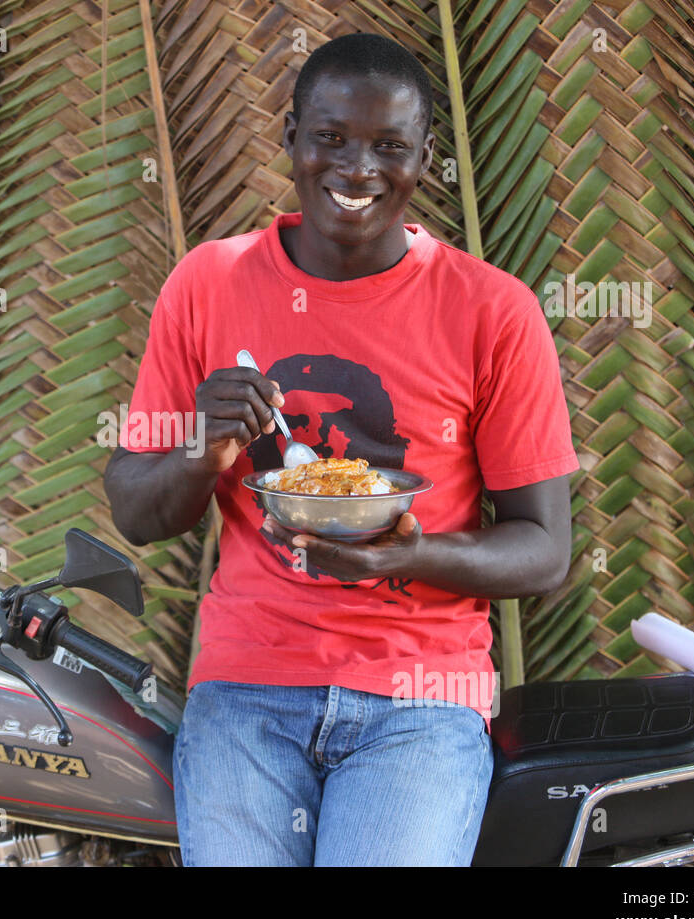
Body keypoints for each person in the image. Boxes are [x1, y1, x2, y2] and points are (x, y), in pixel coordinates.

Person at [103, 32, 578, 866]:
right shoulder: (207, 285)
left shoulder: (492, 312)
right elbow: (137, 513)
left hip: (422, 701)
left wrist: (410, 553)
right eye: (330, 138)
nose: (357, 169)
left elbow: (543, 553)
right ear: (290, 139)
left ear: (426, 159)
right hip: (246, 690)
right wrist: (202, 450)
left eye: (388, 146)